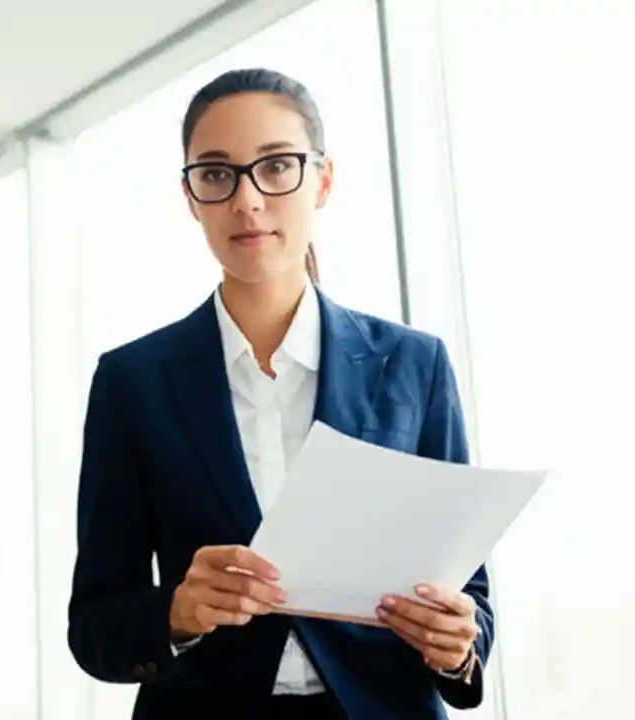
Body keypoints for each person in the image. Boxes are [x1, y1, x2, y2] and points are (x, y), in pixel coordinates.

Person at [67, 68, 492, 719]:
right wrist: (177, 613)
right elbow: (96, 624)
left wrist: (458, 647)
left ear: (322, 179)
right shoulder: (133, 383)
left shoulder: (415, 365)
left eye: (276, 167)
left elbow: (472, 599)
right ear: (191, 197)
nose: (248, 200)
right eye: (216, 174)